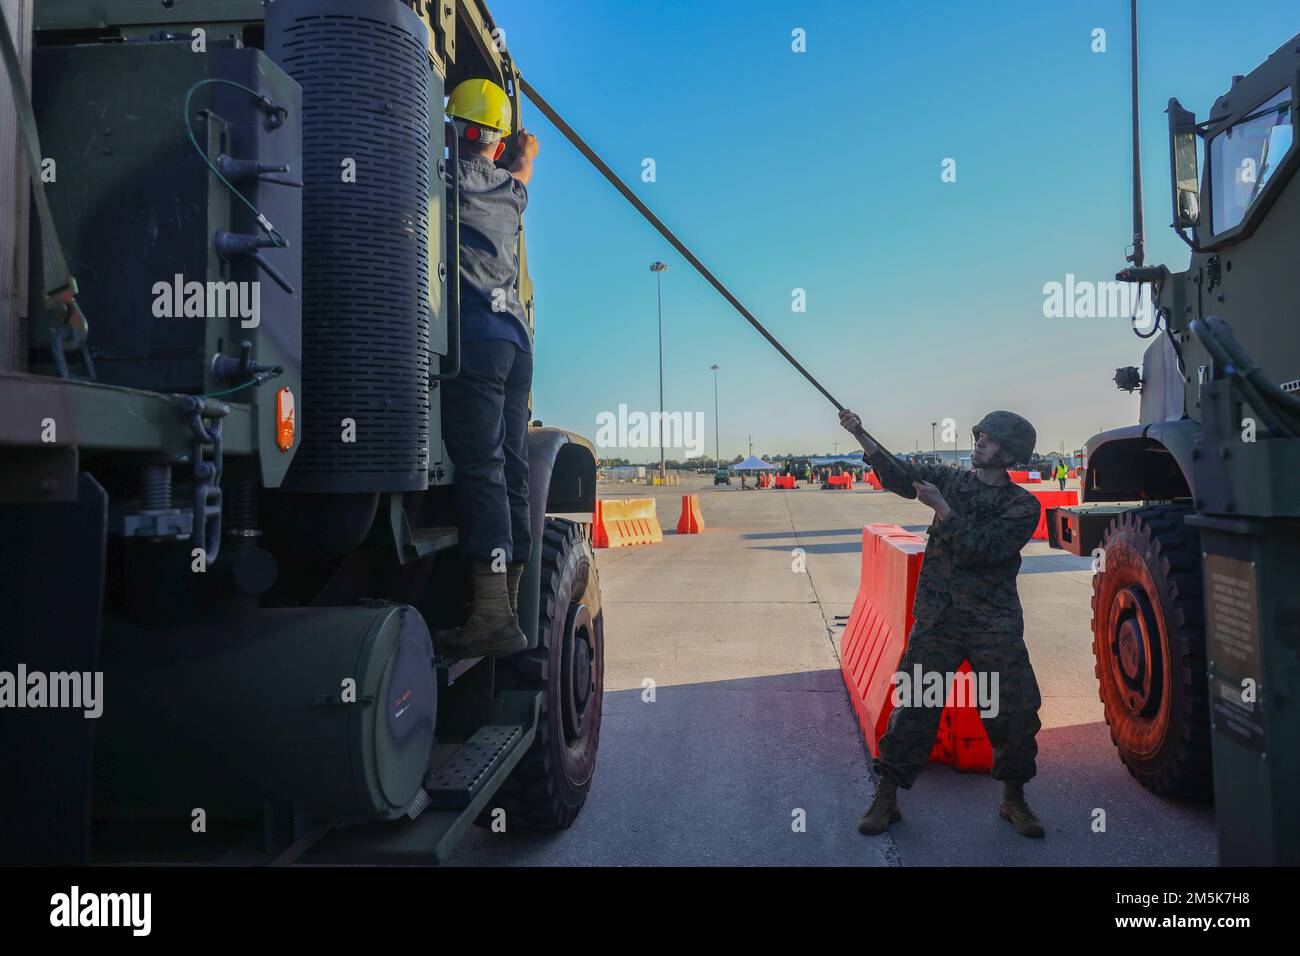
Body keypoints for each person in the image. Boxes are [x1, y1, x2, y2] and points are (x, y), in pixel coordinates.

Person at [839, 408, 1047, 839]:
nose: (979, 442)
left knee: (1012, 710)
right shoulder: (952, 478)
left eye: (988, 439)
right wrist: (862, 435)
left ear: (1009, 455)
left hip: (994, 623)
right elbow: (900, 474)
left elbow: (985, 550)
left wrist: (943, 510)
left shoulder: (1022, 506)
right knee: (914, 708)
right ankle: (887, 797)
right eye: (979, 435)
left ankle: (1014, 798)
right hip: (940, 618)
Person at [438, 78, 540, 659]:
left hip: (476, 341)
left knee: (478, 469)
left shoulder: (442, 179)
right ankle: (510, 600)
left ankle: (493, 615)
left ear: (452, 130)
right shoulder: (511, 189)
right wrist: (521, 151)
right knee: (512, 471)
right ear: (496, 143)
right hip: (517, 344)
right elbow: (524, 169)